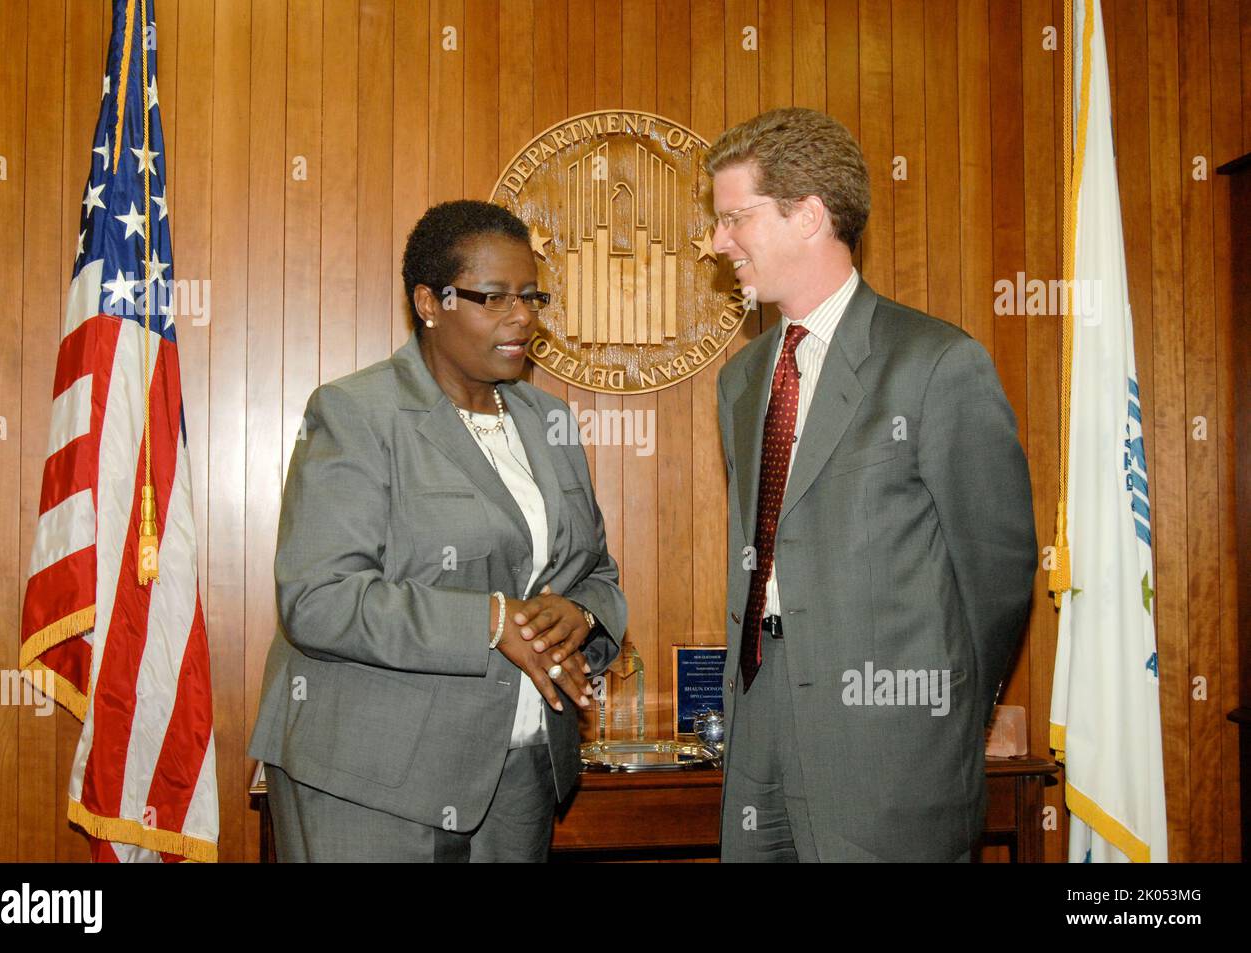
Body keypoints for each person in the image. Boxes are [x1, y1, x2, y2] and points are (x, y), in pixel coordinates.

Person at [248, 199, 627, 862]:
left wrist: (582, 614)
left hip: (520, 774)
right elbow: (319, 598)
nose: (522, 318)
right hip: (371, 777)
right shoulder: (356, 413)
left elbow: (595, 571)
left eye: (532, 296)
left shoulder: (550, 422)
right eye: (494, 297)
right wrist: (491, 619)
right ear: (429, 301)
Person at [709, 108, 1037, 862]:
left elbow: (997, 578)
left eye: (735, 219)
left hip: (892, 751)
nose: (718, 241)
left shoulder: (936, 364)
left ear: (809, 216)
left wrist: (941, 713)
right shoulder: (741, 379)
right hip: (759, 721)